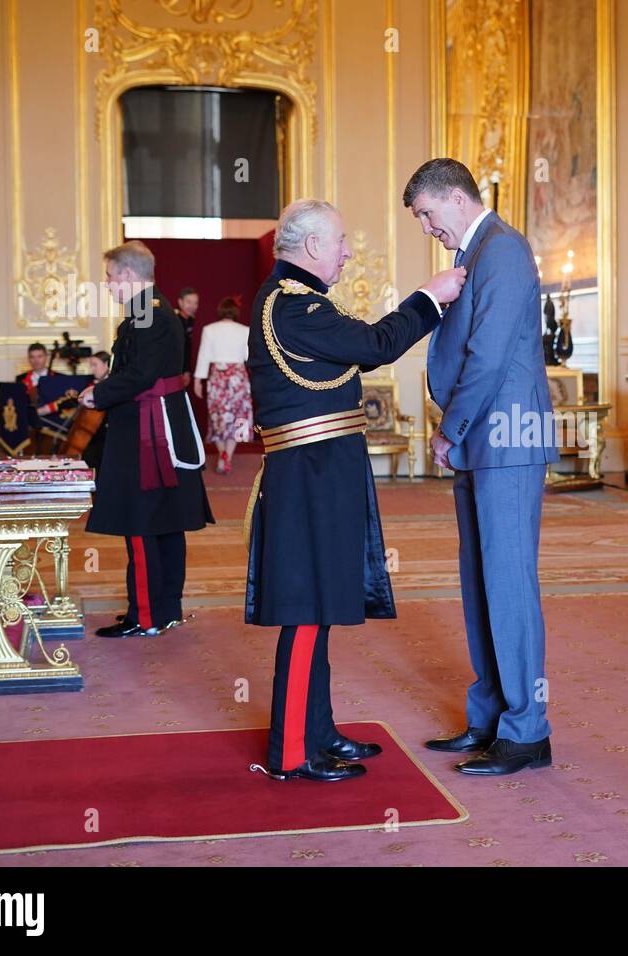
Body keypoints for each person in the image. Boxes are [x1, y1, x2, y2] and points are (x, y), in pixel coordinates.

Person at [245, 199, 465, 782]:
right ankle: (293, 752)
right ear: (313, 246)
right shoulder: (292, 305)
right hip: (308, 476)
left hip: (322, 471)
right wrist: (430, 297)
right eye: (341, 242)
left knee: (320, 608)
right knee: (306, 612)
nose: (346, 252)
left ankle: (318, 732)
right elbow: (372, 346)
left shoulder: (300, 303)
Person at [405, 158, 559, 776]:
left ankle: (528, 732)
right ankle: (491, 717)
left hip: (507, 442)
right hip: (484, 442)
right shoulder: (481, 252)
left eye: (425, 213)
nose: (425, 227)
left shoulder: (503, 250)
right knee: (481, 583)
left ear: (453, 197)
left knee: (509, 583)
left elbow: (489, 355)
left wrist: (449, 429)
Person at [78, 241, 213, 638]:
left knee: (141, 521)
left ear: (127, 276)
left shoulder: (146, 316)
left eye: (109, 277)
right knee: (165, 522)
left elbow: (139, 376)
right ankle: (164, 609)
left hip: (147, 433)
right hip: (158, 427)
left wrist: (97, 395)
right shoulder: (157, 310)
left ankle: (147, 616)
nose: (107, 285)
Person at [193, 296, 251, 475]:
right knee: (238, 417)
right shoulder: (245, 330)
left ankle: (222, 455)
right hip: (238, 378)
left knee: (217, 417)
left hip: (217, 377)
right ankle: (229, 456)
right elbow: (248, 357)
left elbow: (203, 356)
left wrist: (197, 380)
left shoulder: (209, 330)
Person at [78, 351, 111, 470]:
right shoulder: (92, 384)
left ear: (107, 364)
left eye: (95, 365)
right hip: (95, 436)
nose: (92, 370)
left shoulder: (110, 386)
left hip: (106, 437)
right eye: (90, 365)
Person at [176, 287, 199, 383]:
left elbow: (188, 348)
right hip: (175, 369)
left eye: (195, 303)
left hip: (186, 369)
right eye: (189, 302)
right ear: (180, 302)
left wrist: (187, 371)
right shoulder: (175, 321)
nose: (192, 306)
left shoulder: (193, 321)